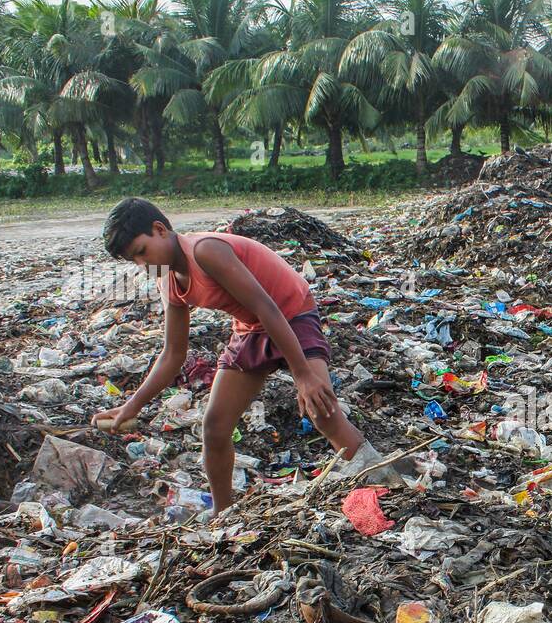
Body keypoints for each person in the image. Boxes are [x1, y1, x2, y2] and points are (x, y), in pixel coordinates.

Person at [95, 197, 375, 513]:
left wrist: (304, 375)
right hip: (250, 329)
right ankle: (223, 512)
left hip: (291, 313)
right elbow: (173, 353)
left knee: (321, 411)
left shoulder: (205, 251)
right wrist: (131, 406)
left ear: (160, 229)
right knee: (214, 427)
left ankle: (382, 478)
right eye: (134, 260)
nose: (143, 265)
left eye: (142, 252)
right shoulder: (169, 280)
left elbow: (266, 305)